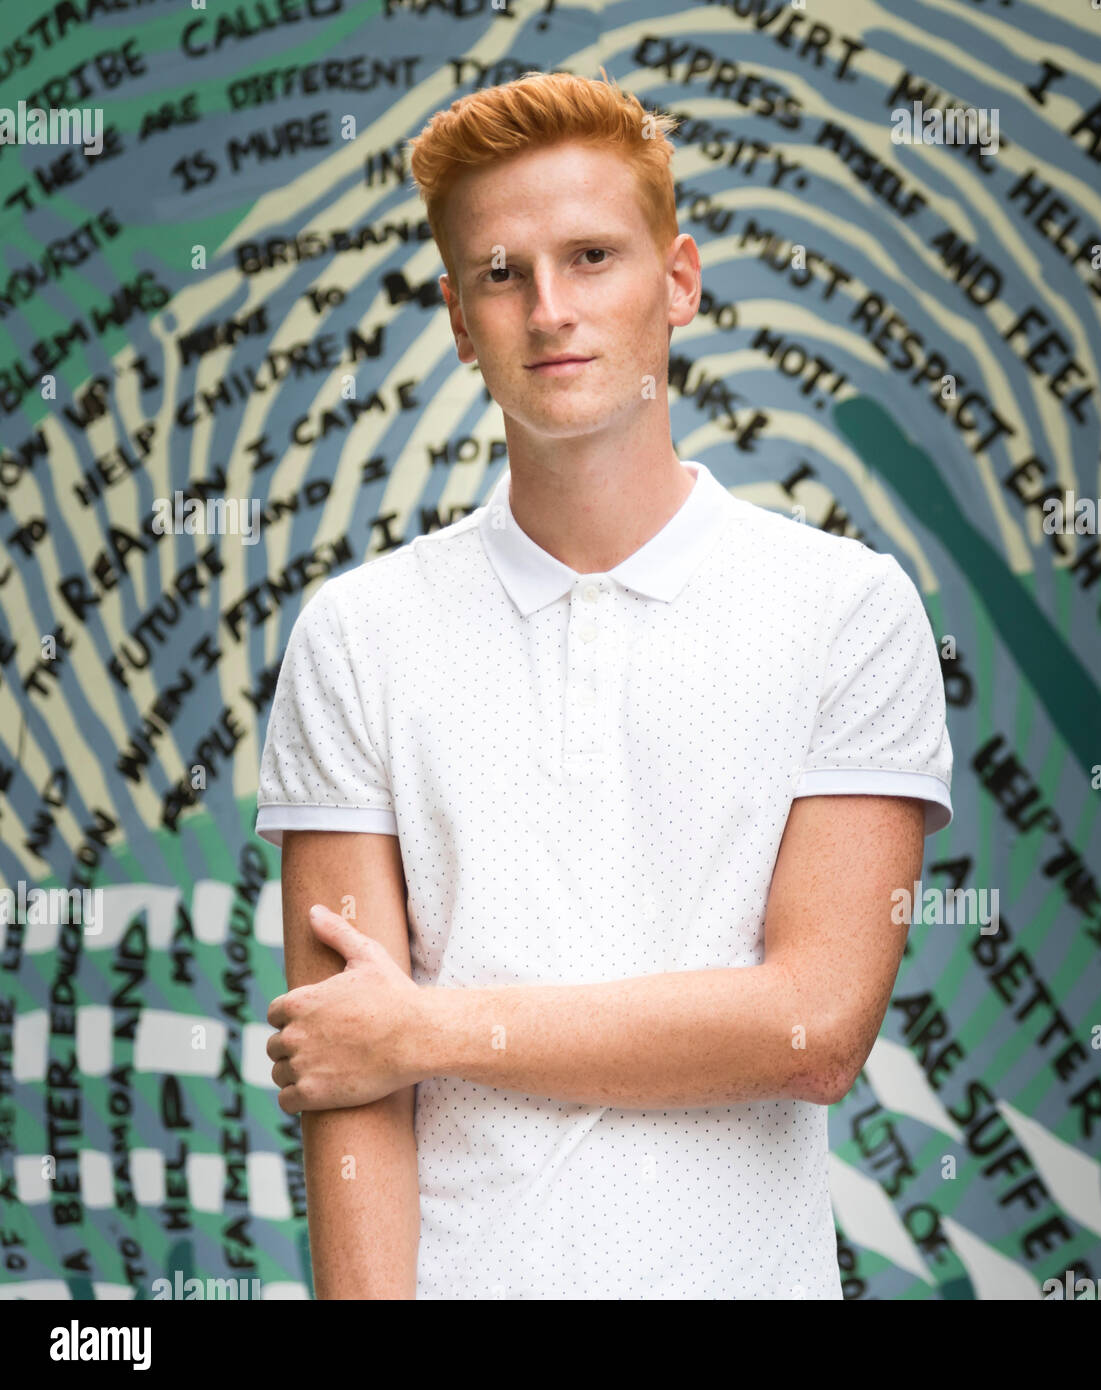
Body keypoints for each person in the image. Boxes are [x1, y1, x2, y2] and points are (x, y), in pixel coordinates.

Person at [255, 69, 954, 1300]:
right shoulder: (357, 635)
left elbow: (812, 1030)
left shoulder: (845, 609)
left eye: (590, 257)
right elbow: (348, 1080)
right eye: (500, 274)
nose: (548, 311)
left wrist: (429, 1029)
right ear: (460, 319)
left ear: (677, 280)